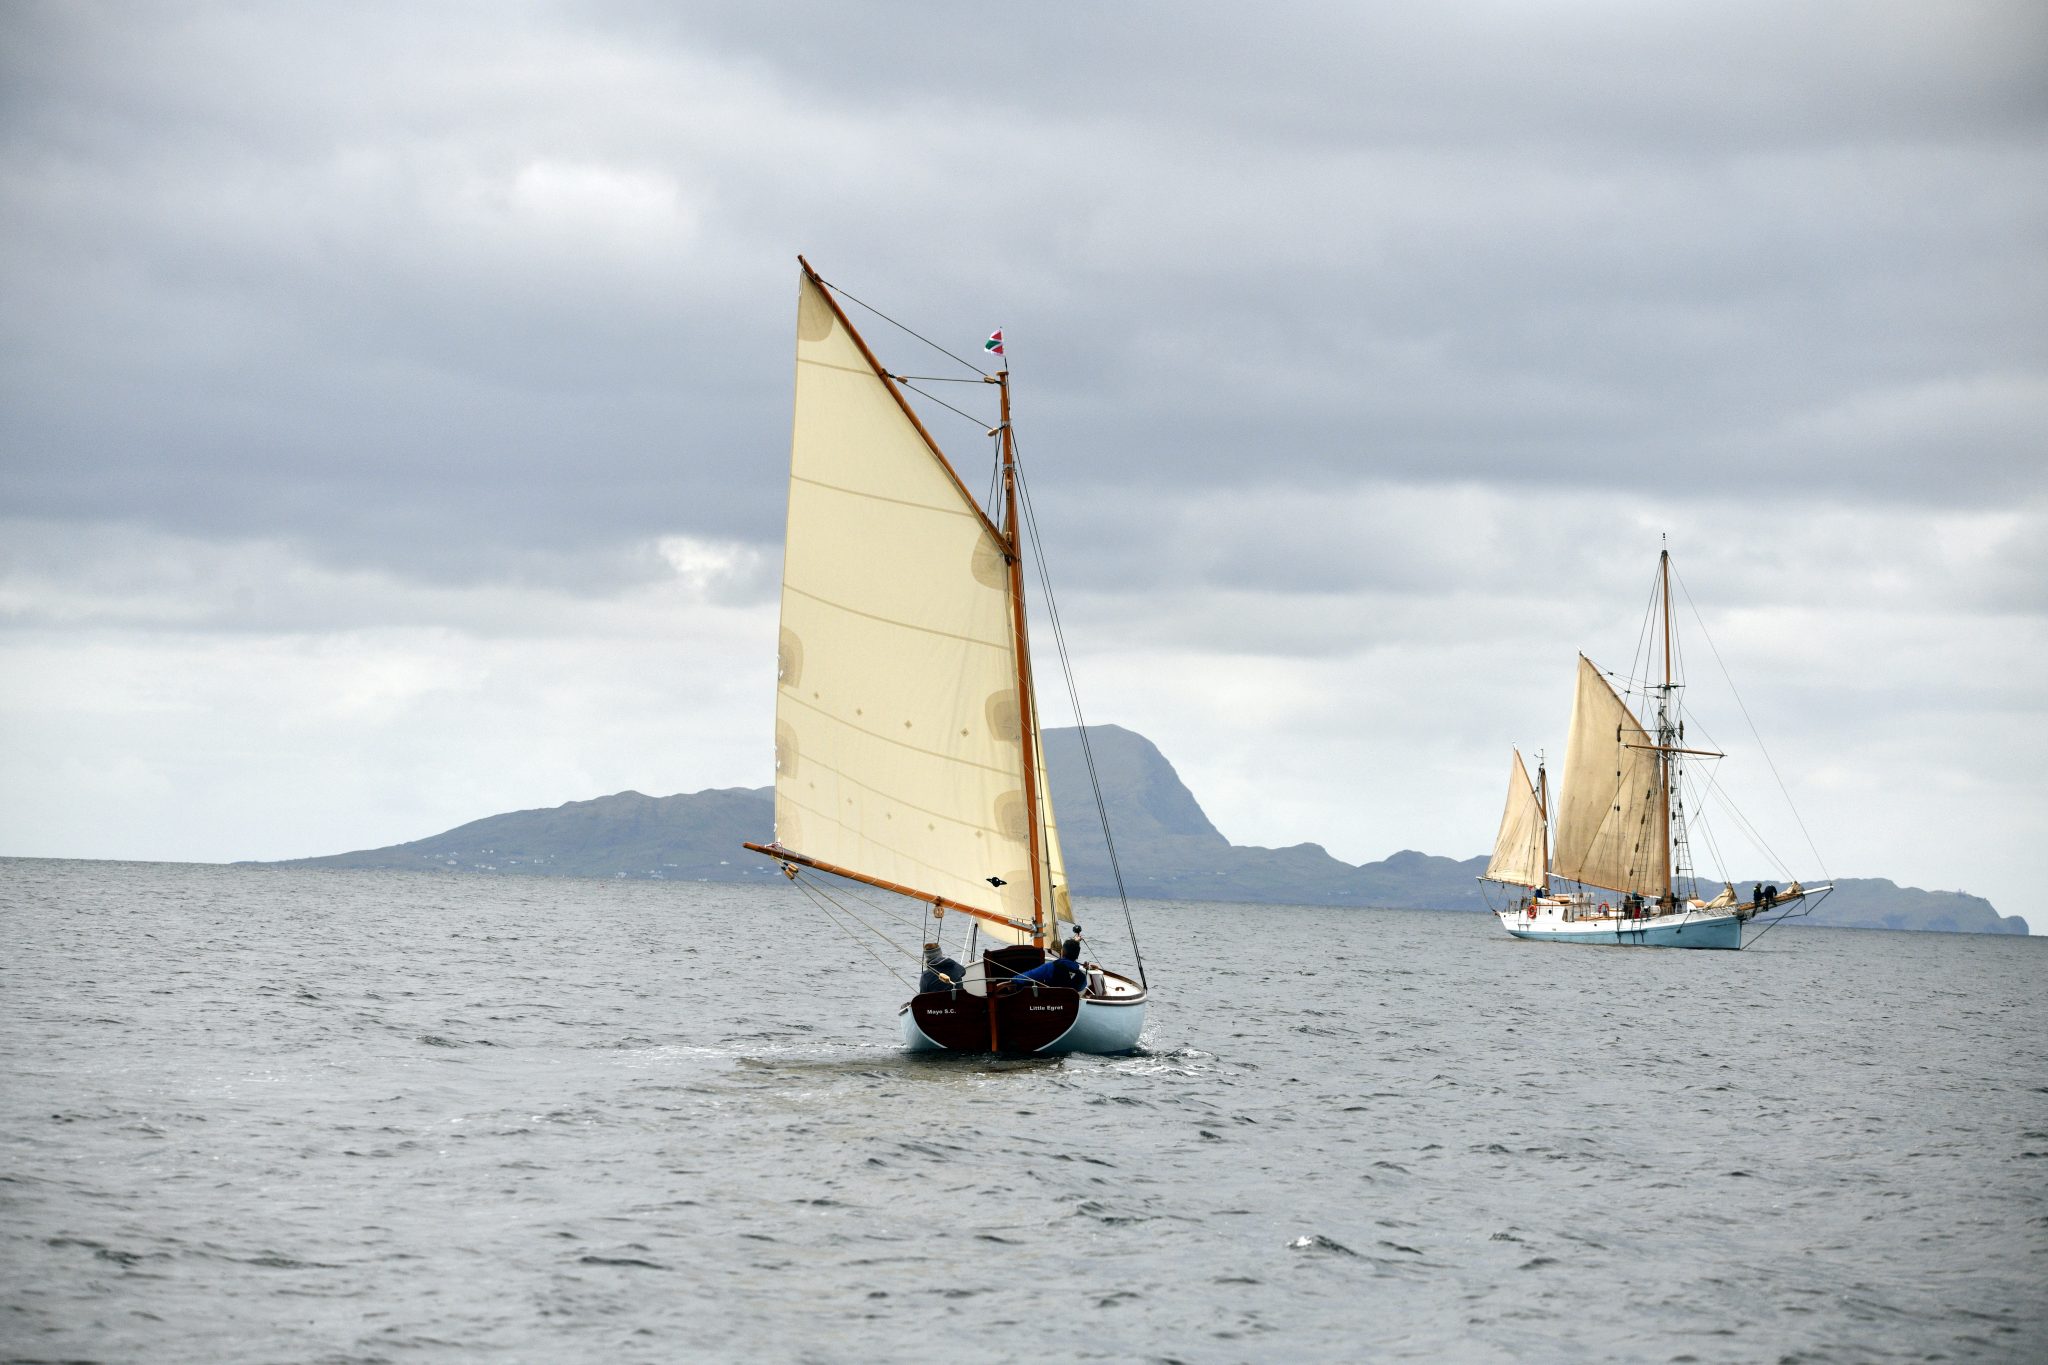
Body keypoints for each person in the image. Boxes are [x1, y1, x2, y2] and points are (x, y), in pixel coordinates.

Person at [1006, 938, 1089, 992]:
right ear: (1077, 956)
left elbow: (1030, 976)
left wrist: (1014, 979)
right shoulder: (1082, 977)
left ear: (1062, 952)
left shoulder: (1052, 967)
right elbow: (1080, 987)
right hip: (1068, 1011)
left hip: (1049, 1007)